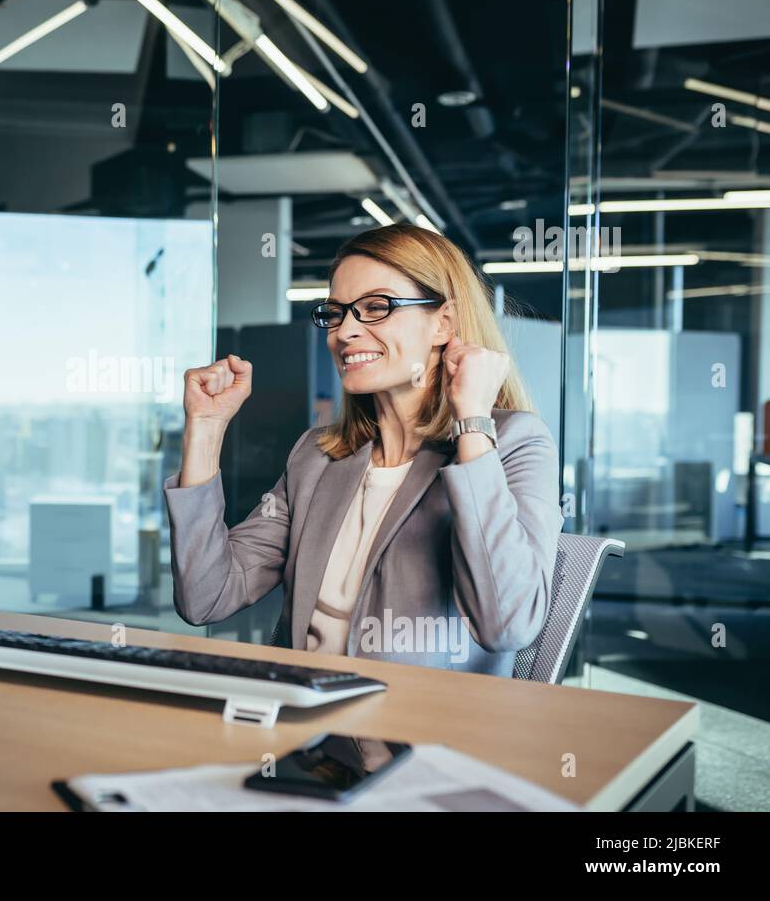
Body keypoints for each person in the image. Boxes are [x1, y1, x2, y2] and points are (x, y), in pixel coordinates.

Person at [164, 223, 562, 676]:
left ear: (444, 323)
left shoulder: (511, 443)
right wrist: (206, 429)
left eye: (376, 307)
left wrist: (472, 420)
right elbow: (206, 596)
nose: (345, 331)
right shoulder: (317, 456)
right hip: (303, 727)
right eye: (336, 313)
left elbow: (507, 624)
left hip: (418, 737)